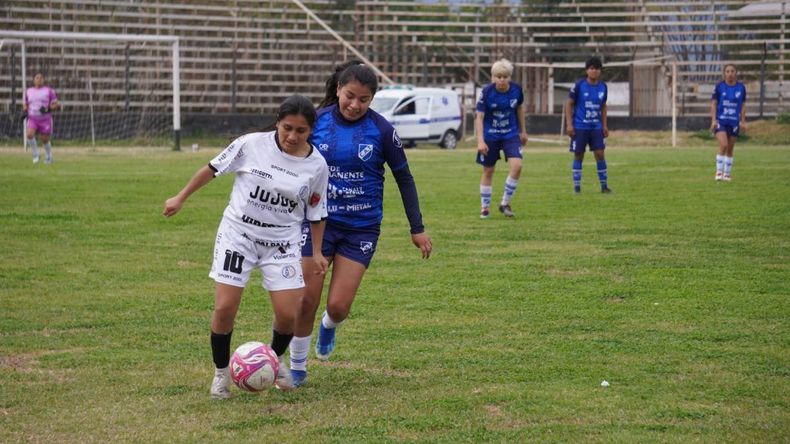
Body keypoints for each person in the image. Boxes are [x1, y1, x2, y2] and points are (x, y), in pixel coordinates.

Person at [162, 95, 329, 399]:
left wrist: (316, 252)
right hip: (239, 235)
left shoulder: (317, 165)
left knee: (288, 314)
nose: (292, 136)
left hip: (282, 242)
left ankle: (274, 360)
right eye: (287, 128)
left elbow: (317, 213)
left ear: (310, 132)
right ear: (278, 123)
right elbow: (211, 169)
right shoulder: (251, 144)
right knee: (225, 308)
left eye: (301, 131)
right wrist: (180, 197)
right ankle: (221, 374)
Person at [289, 61, 433, 387]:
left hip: (361, 227)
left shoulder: (382, 131)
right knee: (306, 298)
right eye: (349, 96)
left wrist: (417, 227)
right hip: (318, 223)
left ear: (372, 100)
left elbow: (404, 179)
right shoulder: (317, 121)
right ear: (338, 89)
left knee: (338, 306)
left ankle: (329, 325)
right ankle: (297, 367)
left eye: (364, 99)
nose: (355, 105)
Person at [475, 58, 528, 218]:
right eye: (498, 76)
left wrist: (523, 131)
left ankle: (504, 203)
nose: (501, 80)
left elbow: (519, 109)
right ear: (493, 77)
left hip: (510, 134)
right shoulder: (486, 92)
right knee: (488, 170)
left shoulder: (517, 90)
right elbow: (479, 117)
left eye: (505, 77)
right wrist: (480, 140)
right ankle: (485, 208)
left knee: (517, 166)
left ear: (509, 77)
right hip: (490, 135)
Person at [565, 57, 611, 194]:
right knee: (579, 154)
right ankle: (577, 188)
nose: (594, 71)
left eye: (597, 68)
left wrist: (605, 125)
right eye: (591, 68)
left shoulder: (603, 87)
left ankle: (604, 187)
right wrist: (569, 124)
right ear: (587, 70)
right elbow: (569, 104)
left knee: (600, 154)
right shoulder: (579, 85)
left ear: (600, 71)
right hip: (580, 126)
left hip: (596, 127)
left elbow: (603, 106)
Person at [710, 64, 747, 182]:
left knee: (730, 149)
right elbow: (714, 104)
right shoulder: (719, 86)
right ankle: (719, 172)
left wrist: (742, 121)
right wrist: (713, 120)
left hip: (734, 122)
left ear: (736, 73)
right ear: (724, 73)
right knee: (724, 145)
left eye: (732, 71)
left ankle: (727, 174)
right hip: (721, 121)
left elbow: (743, 105)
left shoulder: (741, 88)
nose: (730, 73)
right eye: (727, 71)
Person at [23, 73, 60, 164]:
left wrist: (48, 109)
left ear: (43, 80)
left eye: (41, 78)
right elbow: (25, 104)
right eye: (37, 78)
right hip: (33, 118)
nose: (39, 79)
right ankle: (36, 155)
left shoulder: (49, 91)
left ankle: (49, 157)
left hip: (45, 119)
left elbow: (56, 104)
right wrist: (25, 111)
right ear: (34, 80)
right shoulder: (28, 91)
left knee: (44, 139)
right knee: (29, 135)